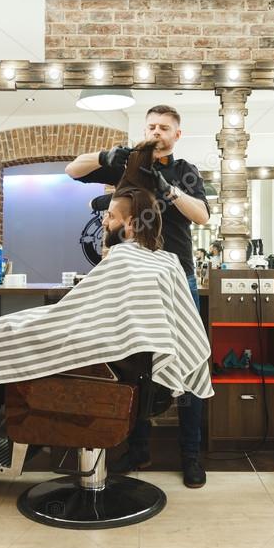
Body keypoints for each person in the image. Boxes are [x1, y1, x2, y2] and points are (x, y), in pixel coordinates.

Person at [0, 151, 212, 449]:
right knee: (13, 338)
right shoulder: (165, 261)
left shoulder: (124, 258)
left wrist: (45, 320)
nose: (104, 222)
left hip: (104, 360)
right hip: (127, 362)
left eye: (110, 217)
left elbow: (75, 313)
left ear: (132, 225)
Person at [65, 104, 212, 487]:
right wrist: (105, 156)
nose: (157, 131)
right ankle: (138, 449)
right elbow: (72, 170)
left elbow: (202, 216)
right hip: (131, 280)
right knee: (135, 362)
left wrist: (169, 191)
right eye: (152, 126)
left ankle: (191, 454)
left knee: (189, 360)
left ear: (177, 135)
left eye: (165, 127)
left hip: (176, 278)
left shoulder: (185, 172)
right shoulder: (128, 166)